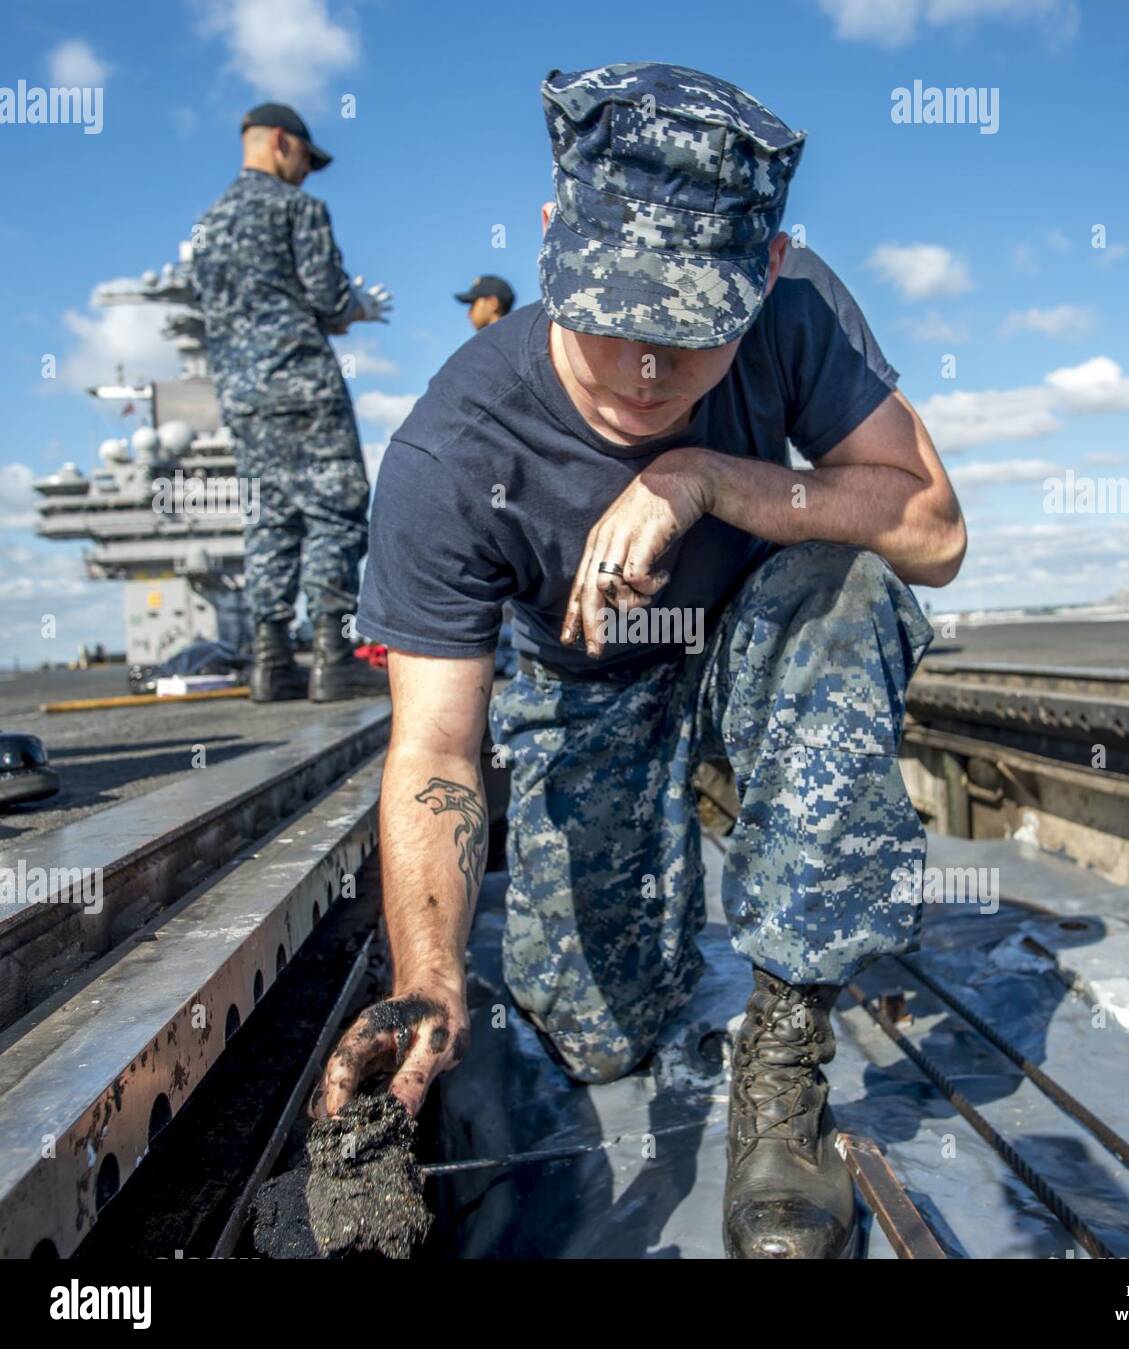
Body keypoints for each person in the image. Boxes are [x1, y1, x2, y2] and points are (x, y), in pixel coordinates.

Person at [319, 63, 966, 1260]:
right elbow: (435, 745)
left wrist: (706, 477)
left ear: (762, 276)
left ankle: (782, 1067)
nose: (645, 372)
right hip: (587, 691)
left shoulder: (798, 307)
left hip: (744, 647)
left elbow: (932, 530)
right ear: (556, 239)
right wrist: (430, 973)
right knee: (600, 1035)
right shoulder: (452, 450)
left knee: (849, 587)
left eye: (688, 332)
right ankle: (644, 927)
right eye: (611, 318)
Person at [190, 101, 393, 702]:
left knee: (270, 517)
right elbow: (329, 302)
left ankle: (271, 661)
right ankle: (332, 656)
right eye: (306, 157)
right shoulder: (297, 208)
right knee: (333, 509)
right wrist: (357, 306)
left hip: (242, 397)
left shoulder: (210, 222)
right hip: (302, 384)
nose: (308, 171)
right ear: (281, 141)